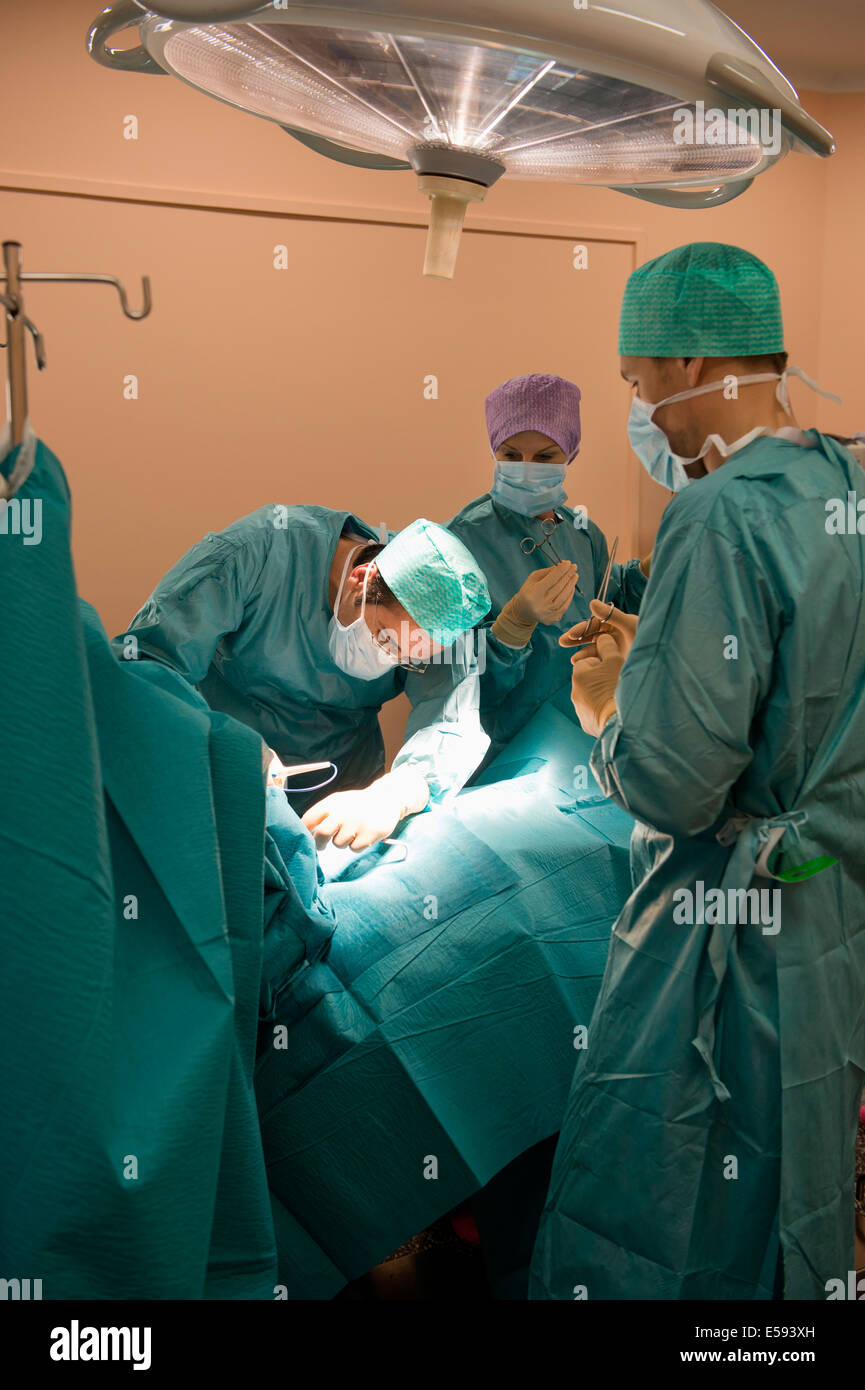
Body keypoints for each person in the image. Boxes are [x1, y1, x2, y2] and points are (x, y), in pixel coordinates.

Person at [531, 242, 865, 1301]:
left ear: (685, 365)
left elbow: (675, 782)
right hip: (827, 917)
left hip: (727, 935)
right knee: (798, 1183)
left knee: (678, 1207)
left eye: (637, 386)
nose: (647, 420)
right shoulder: (844, 480)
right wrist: (669, 656)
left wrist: (613, 700)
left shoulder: (718, 513)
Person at [116, 508, 491, 849]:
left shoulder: (443, 613)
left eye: (407, 659)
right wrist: (220, 741)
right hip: (213, 770)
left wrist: (396, 793)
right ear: (361, 579)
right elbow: (150, 662)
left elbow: (453, 724)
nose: (388, 659)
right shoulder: (260, 550)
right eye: (384, 638)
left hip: (338, 794)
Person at [448, 373, 650, 767]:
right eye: (510, 454)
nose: (526, 468)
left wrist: (649, 569)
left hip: (582, 735)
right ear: (494, 451)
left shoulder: (583, 531)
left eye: (544, 457)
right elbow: (452, 681)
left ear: (569, 455)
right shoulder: (463, 541)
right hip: (507, 749)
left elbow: (608, 599)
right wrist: (513, 626)